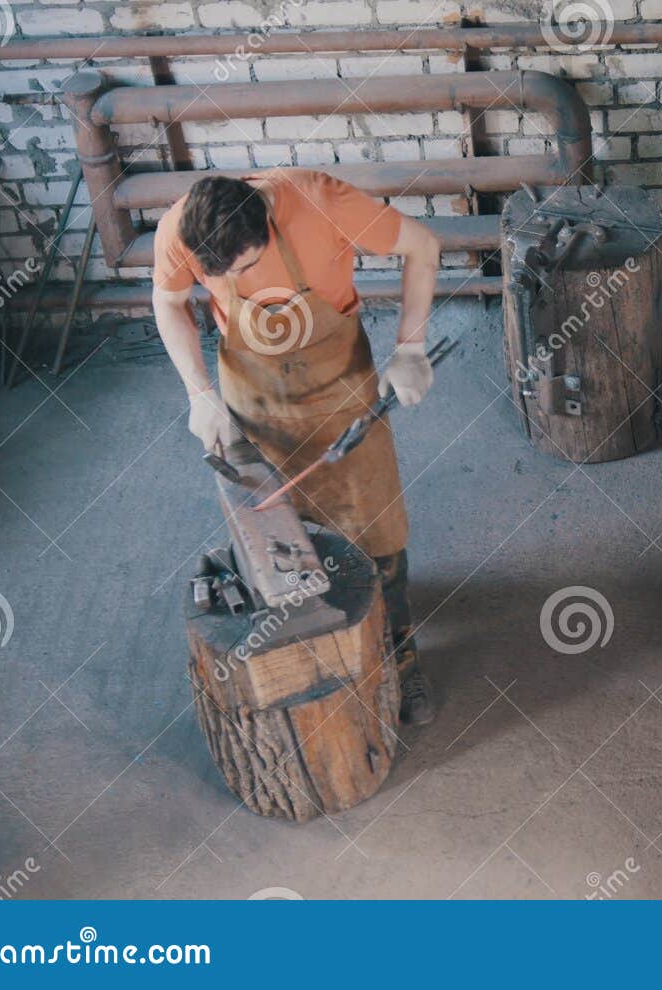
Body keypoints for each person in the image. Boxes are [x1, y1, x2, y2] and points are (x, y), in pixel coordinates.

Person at [151, 168, 441, 725]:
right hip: (253, 398)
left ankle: (399, 659)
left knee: (376, 530)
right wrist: (200, 395)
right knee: (284, 539)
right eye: (222, 273)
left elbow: (424, 246)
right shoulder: (177, 230)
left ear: (266, 225)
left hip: (338, 388)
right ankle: (320, 666)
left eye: (244, 267)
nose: (234, 278)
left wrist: (412, 347)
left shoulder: (321, 200)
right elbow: (168, 304)